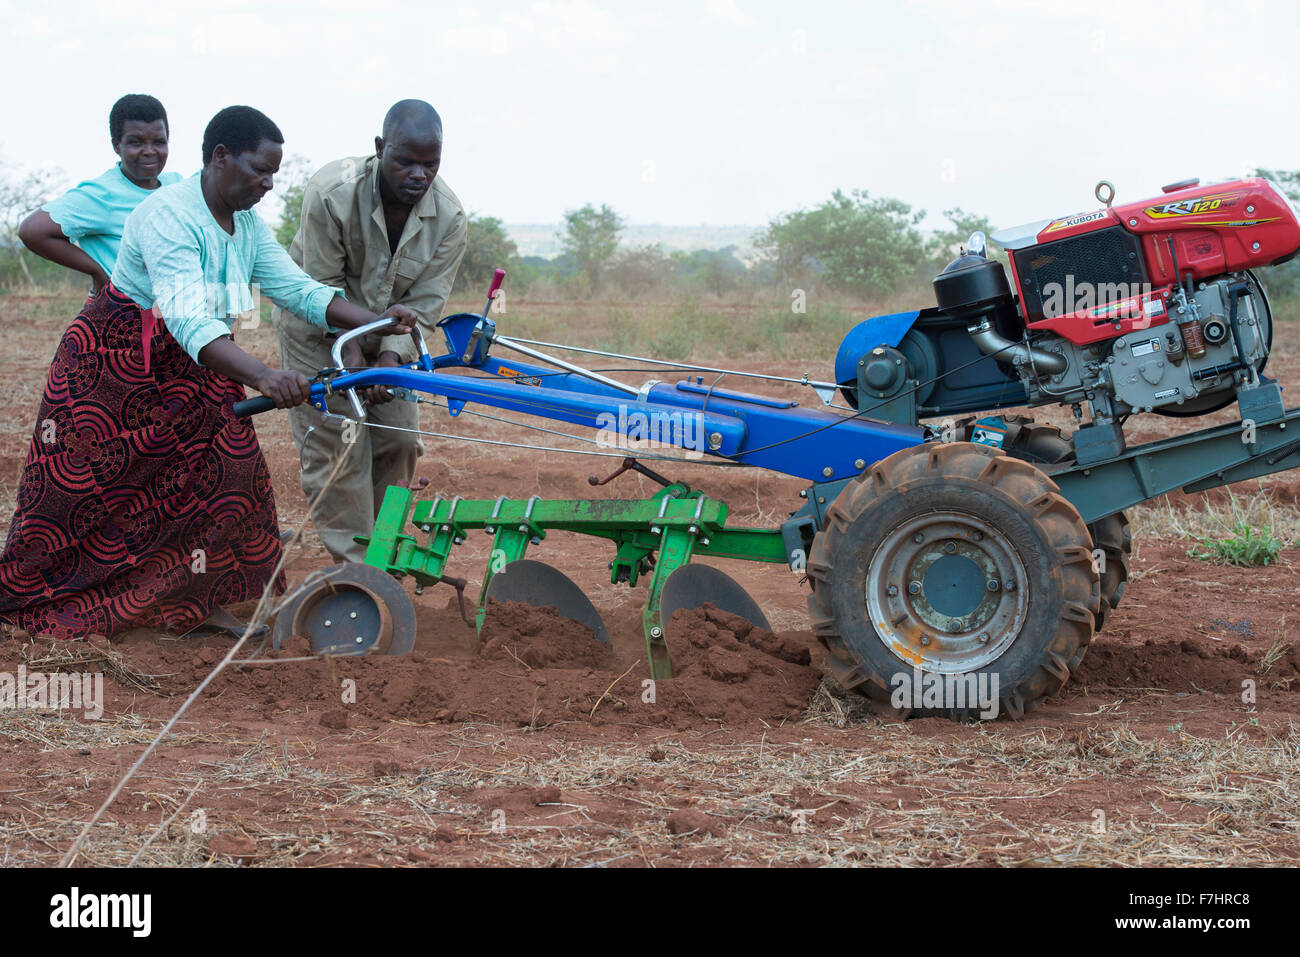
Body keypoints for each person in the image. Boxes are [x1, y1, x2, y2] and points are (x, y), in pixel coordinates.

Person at [0, 106, 418, 641]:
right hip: (115, 365)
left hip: (196, 363)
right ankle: (40, 602)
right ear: (221, 157)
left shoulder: (244, 222)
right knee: (85, 494)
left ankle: (197, 605)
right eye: (260, 171)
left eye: (273, 174)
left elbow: (297, 290)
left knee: (230, 472)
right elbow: (189, 319)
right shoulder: (167, 216)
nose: (268, 184)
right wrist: (266, 376)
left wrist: (376, 321)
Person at [273, 99, 467, 562]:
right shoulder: (331, 192)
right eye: (405, 161)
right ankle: (356, 572)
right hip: (316, 332)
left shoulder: (450, 218)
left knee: (399, 442)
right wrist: (355, 356)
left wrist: (388, 359)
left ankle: (384, 555)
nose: (419, 174)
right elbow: (321, 287)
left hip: (390, 342)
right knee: (341, 444)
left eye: (431, 163)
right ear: (380, 148)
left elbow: (425, 301)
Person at [18, 94, 182, 290]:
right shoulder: (102, 195)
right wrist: (97, 272)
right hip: (127, 314)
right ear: (116, 145)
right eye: (136, 142)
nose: (149, 151)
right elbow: (32, 231)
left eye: (158, 142)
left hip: (172, 312)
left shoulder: (176, 185)